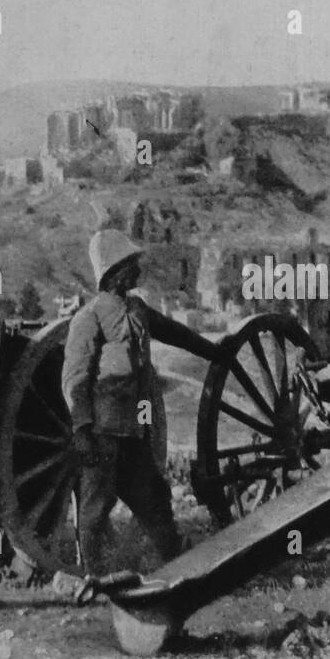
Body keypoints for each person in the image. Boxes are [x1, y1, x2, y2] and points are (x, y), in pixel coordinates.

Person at [61, 230, 218, 582]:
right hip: (102, 432)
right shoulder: (89, 318)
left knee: (155, 498)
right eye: (131, 265)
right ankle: (93, 577)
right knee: (95, 508)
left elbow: (176, 333)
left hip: (133, 432)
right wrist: (82, 429)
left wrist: (214, 352)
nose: (137, 271)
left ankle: (178, 569)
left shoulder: (137, 310)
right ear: (115, 271)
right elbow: (75, 380)